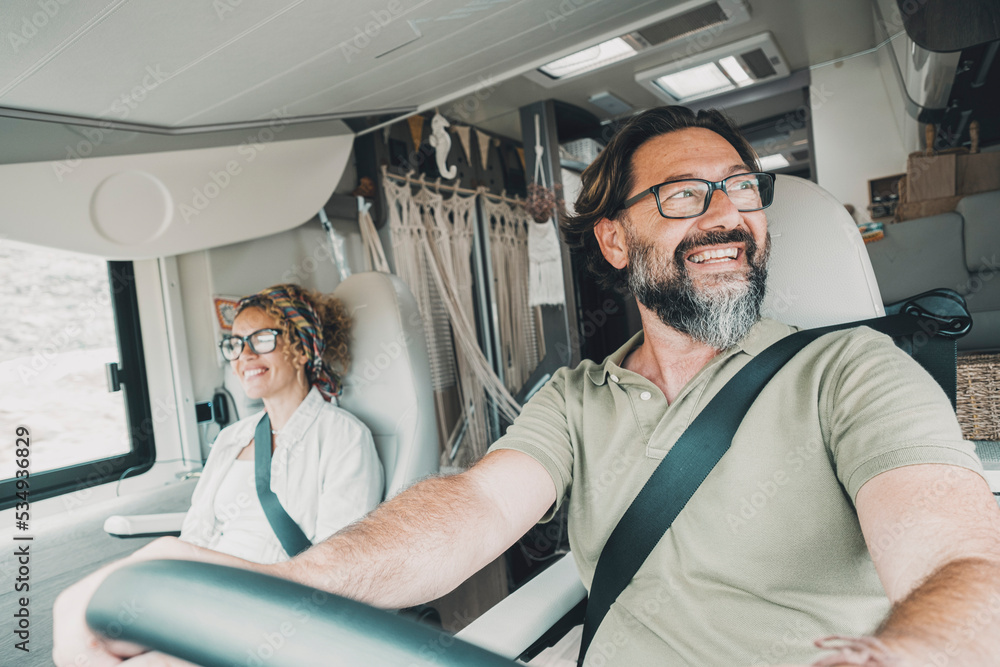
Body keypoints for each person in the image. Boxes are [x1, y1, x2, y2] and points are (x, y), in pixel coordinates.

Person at [53, 108, 1000, 667]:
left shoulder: (850, 371)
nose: (727, 214)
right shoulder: (576, 398)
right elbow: (466, 509)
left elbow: (970, 570)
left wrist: (896, 655)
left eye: (742, 190)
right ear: (617, 242)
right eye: (685, 194)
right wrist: (271, 586)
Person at [179, 284, 384, 564]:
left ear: (302, 350)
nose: (245, 355)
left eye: (262, 339)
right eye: (236, 343)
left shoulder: (344, 437)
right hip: (208, 586)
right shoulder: (231, 438)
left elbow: (336, 564)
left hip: (275, 596)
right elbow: (194, 536)